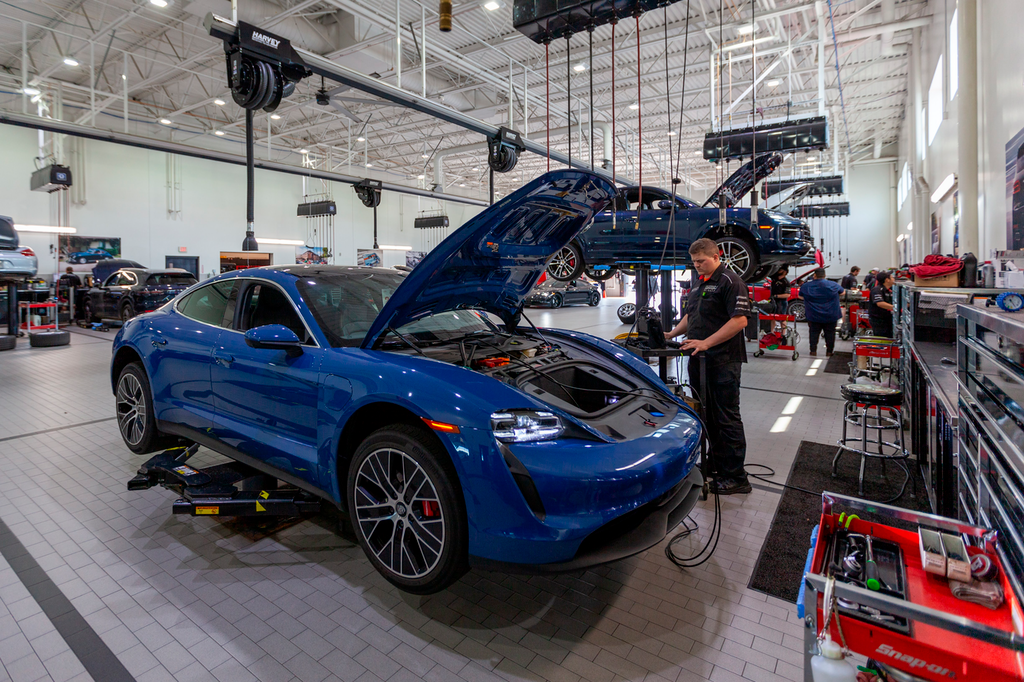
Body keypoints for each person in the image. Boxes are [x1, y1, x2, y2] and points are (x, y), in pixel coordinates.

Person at [666, 238, 752, 495]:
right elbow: (692, 316)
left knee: (726, 417)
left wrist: (706, 343)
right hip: (700, 360)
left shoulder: (730, 281)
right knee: (707, 415)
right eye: (693, 262)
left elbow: (739, 321)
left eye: (701, 261)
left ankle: (737, 477)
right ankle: (716, 465)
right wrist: (670, 334)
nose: (697, 266)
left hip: (724, 360)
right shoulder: (698, 283)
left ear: (717, 257)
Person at [798, 268, 844, 356]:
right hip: (831, 315)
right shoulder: (833, 285)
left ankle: (813, 351)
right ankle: (829, 352)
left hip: (813, 314)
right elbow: (843, 292)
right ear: (825, 275)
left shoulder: (806, 286)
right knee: (830, 334)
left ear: (814, 275)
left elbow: (800, 296)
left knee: (813, 333)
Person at [868, 270, 896, 338]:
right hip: (878, 320)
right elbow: (880, 303)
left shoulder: (890, 290)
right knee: (882, 338)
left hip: (887, 319)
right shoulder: (877, 290)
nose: (894, 279)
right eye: (892, 277)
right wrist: (895, 308)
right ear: (887, 280)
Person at [769, 266, 791, 331]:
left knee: (782, 318)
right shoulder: (774, 278)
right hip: (773, 301)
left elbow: (787, 295)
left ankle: (783, 334)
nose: (778, 271)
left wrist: (776, 296)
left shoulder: (786, 283)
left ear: (785, 272)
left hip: (782, 302)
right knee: (772, 317)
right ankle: (771, 332)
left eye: (780, 270)